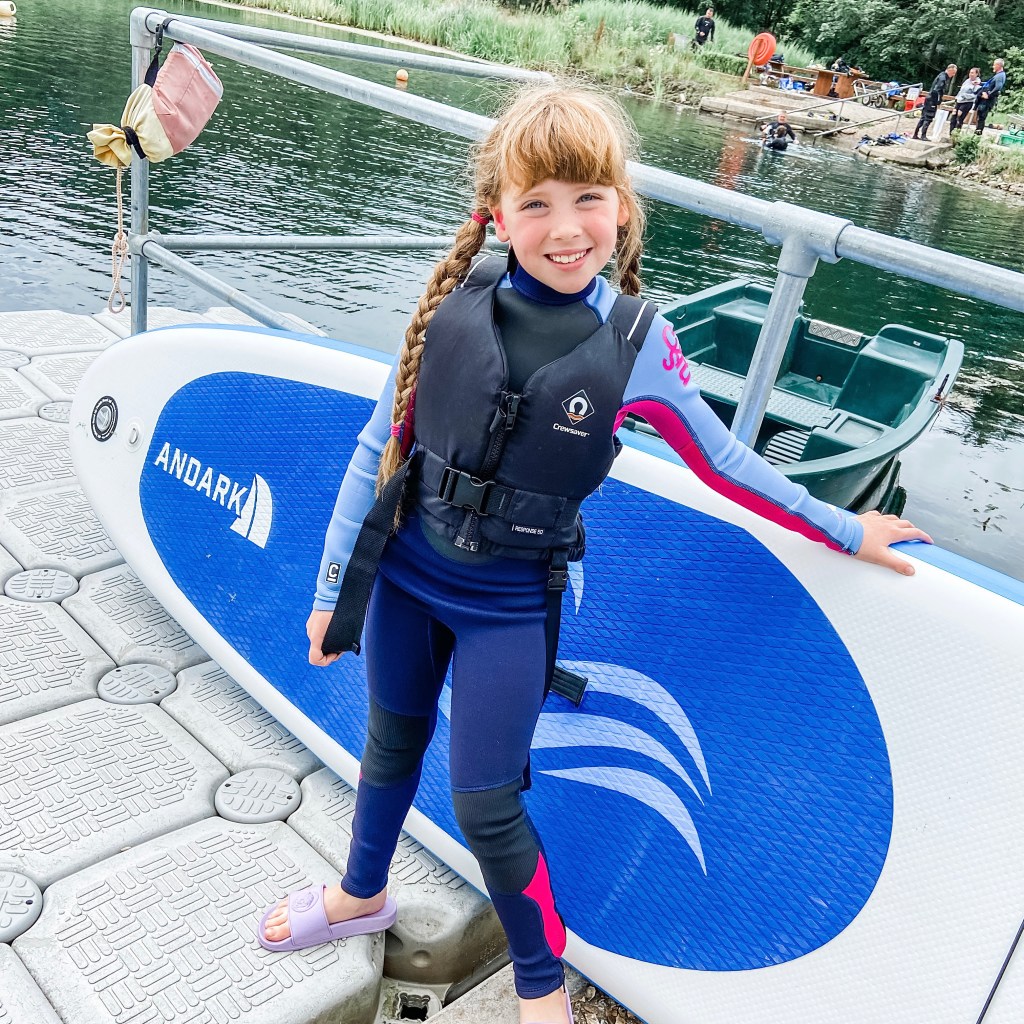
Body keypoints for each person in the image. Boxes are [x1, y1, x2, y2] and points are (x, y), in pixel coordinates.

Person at [257, 84, 930, 1024]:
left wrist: (847, 526)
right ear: (499, 214)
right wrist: (339, 589)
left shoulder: (639, 347)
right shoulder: (459, 293)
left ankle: (541, 989)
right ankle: (360, 895)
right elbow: (382, 443)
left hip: (509, 605)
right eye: (536, 203)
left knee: (488, 804)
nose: (564, 229)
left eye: (587, 199)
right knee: (389, 748)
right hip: (407, 574)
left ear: (622, 208)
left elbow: (727, 463)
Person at [914, 63, 956, 140]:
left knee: (923, 117)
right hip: (932, 100)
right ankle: (923, 135)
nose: (953, 75)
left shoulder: (942, 75)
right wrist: (938, 101)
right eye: (953, 73)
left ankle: (915, 134)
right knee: (928, 117)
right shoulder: (943, 78)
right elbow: (936, 90)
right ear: (950, 70)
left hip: (929, 98)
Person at [975, 58, 1007, 136]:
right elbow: (989, 84)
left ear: (998, 65)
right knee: (979, 117)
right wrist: (980, 83)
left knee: (981, 118)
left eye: (994, 65)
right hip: (985, 100)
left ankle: (977, 135)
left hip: (987, 101)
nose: (993, 66)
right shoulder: (998, 75)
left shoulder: (1000, 76)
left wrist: (988, 95)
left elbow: (998, 87)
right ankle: (976, 133)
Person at [951, 67, 981, 132]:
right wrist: (957, 98)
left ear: (976, 74)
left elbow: (976, 95)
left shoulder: (977, 83)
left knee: (960, 116)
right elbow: (961, 90)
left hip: (967, 102)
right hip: (959, 100)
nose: (971, 74)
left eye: (972, 73)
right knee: (954, 116)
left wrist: (966, 96)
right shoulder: (967, 81)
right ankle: (951, 133)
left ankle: (956, 133)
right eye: (970, 72)